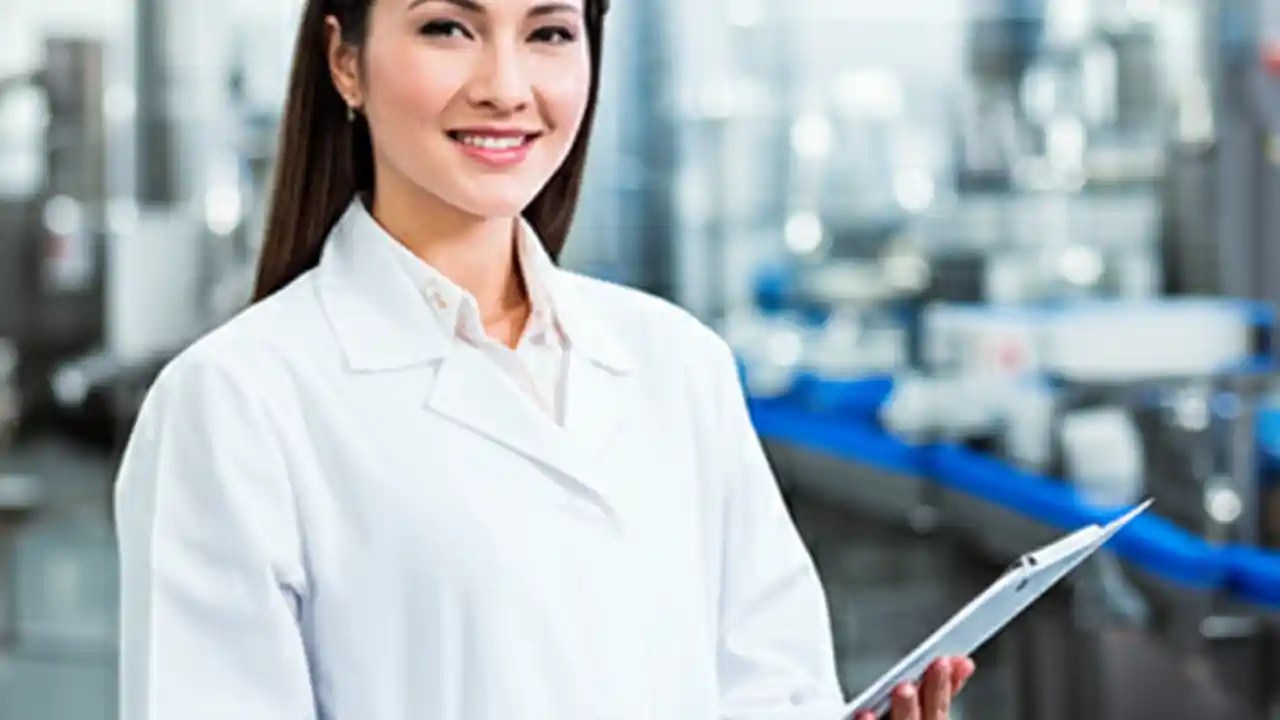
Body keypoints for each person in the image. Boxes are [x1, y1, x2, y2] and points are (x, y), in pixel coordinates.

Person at [114, 1, 974, 718]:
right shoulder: (235, 401)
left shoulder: (676, 363)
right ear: (346, 61)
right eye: (448, 27)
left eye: (550, 32)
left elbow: (773, 691)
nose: (506, 86)